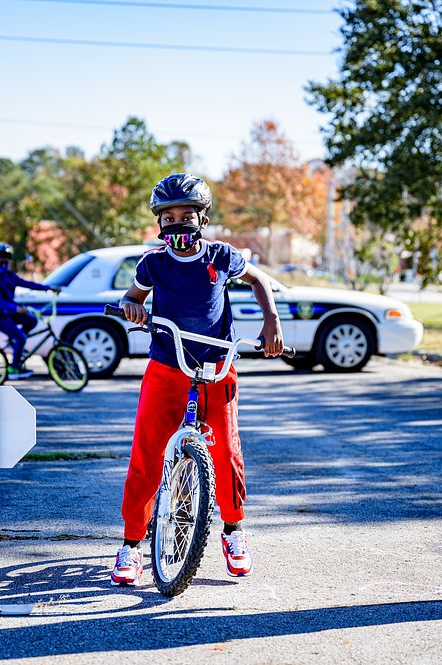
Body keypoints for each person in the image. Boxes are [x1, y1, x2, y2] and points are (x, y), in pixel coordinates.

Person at [109, 173, 284, 586]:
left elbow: (258, 280)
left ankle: (233, 532)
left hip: (217, 367)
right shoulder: (154, 263)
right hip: (167, 367)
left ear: (203, 219)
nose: (178, 224)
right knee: (148, 456)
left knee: (227, 454)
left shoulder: (221, 257)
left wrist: (271, 321)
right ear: (159, 223)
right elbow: (130, 298)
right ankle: (132, 544)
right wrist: (131, 308)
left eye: (187, 215)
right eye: (168, 217)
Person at [0, 242, 60, 380]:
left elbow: (28, 284)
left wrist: (48, 288)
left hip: (9, 312)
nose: (4, 262)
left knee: (32, 321)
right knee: (20, 337)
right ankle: (14, 368)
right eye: (0, 259)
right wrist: (17, 308)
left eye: (6, 259)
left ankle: (17, 343)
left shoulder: (9, 275)